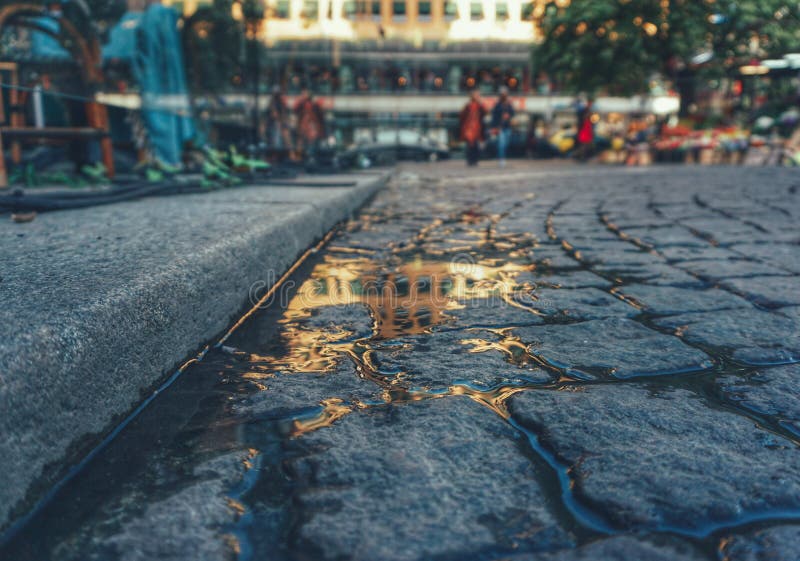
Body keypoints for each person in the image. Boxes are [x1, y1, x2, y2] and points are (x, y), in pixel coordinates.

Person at [294, 89, 325, 162]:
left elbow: (320, 115)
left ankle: (310, 157)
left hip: (311, 126)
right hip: (304, 126)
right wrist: (301, 99)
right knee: (301, 142)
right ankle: (299, 157)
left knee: (312, 142)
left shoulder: (315, 104)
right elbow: (295, 109)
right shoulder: (302, 103)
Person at [459, 89, 487, 166]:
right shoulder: (468, 106)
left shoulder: (480, 106)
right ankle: (470, 160)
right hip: (469, 128)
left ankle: (474, 160)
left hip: (477, 128)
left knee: (475, 145)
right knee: (470, 145)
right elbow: (462, 115)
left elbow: (485, 112)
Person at [491, 86, 515, 166]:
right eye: (502, 94)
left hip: (507, 126)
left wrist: (509, 115)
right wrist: (494, 127)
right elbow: (494, 116)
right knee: (501, 144)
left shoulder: (509, 104)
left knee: (506, 144)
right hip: (500, 127)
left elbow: (513, 113)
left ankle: (502, 157)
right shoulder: (497, 105)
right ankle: (501, 159)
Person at [265, 86, 292, 159]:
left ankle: (282, 155)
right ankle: (274, 156)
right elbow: (273, 115)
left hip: (280, 125)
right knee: (274, 141)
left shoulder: (281, 103)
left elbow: (283, 113)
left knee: (282, 140)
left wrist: (283, 121)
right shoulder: (272, 103)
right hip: (274, 125)